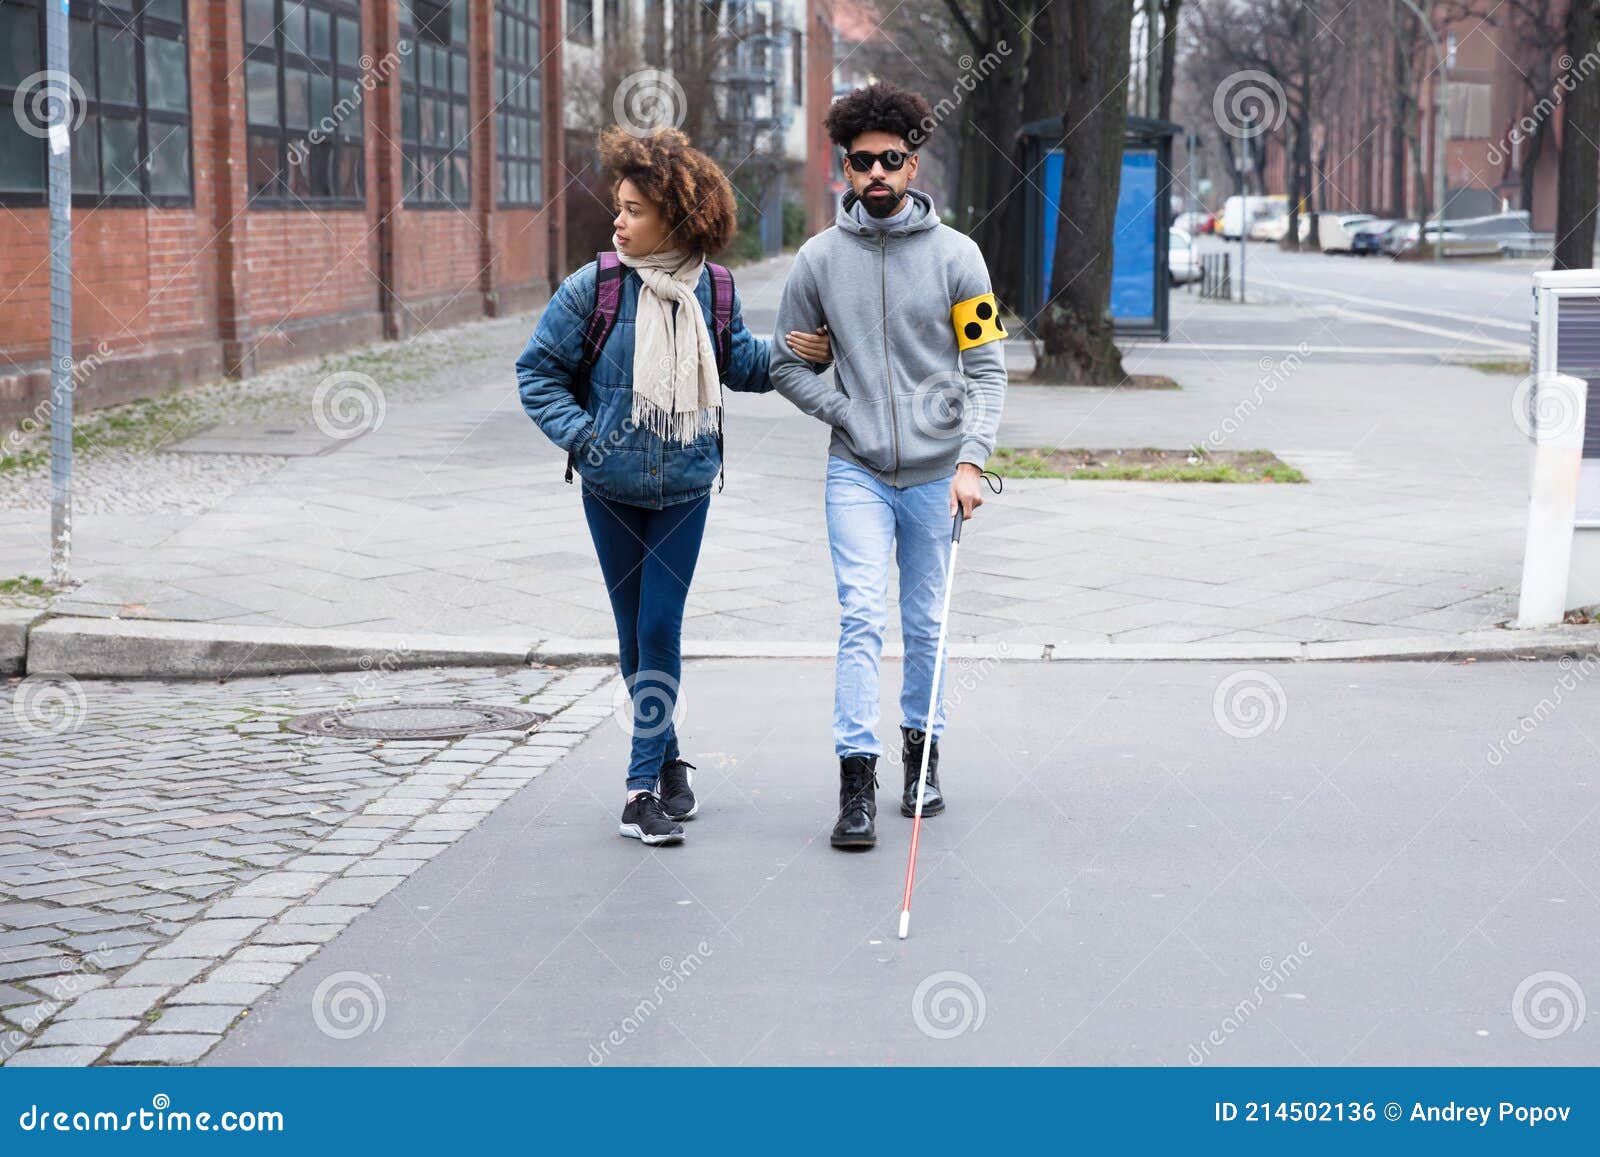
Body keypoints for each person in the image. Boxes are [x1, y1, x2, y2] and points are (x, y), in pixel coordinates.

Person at [517, 126, 832, 847]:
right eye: (619, 207)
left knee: (658, 627)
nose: (618, 222)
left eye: (634, 210)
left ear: (676, 217)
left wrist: (800, 353)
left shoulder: (712, 288)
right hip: (610, 485)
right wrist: (585, 436)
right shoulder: (594, 287)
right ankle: (664, 761)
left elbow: (740, 365)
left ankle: (639, 791)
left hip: (685, 486)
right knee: (634, 633)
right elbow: (536, 372)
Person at [769, 82, 1008, 850]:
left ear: (913, 165)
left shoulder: (959, 257)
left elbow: (987, 370)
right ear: (845, 167)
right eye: (863, 160)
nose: (877, 172)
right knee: (862, 615)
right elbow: (784, 363)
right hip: (858, 469)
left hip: (939, 473)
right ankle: (856, 783)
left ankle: (923, 761)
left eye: (891, 159)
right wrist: (843, 409)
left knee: (927, 622)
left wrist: (971, 460)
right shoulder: (817, 260)